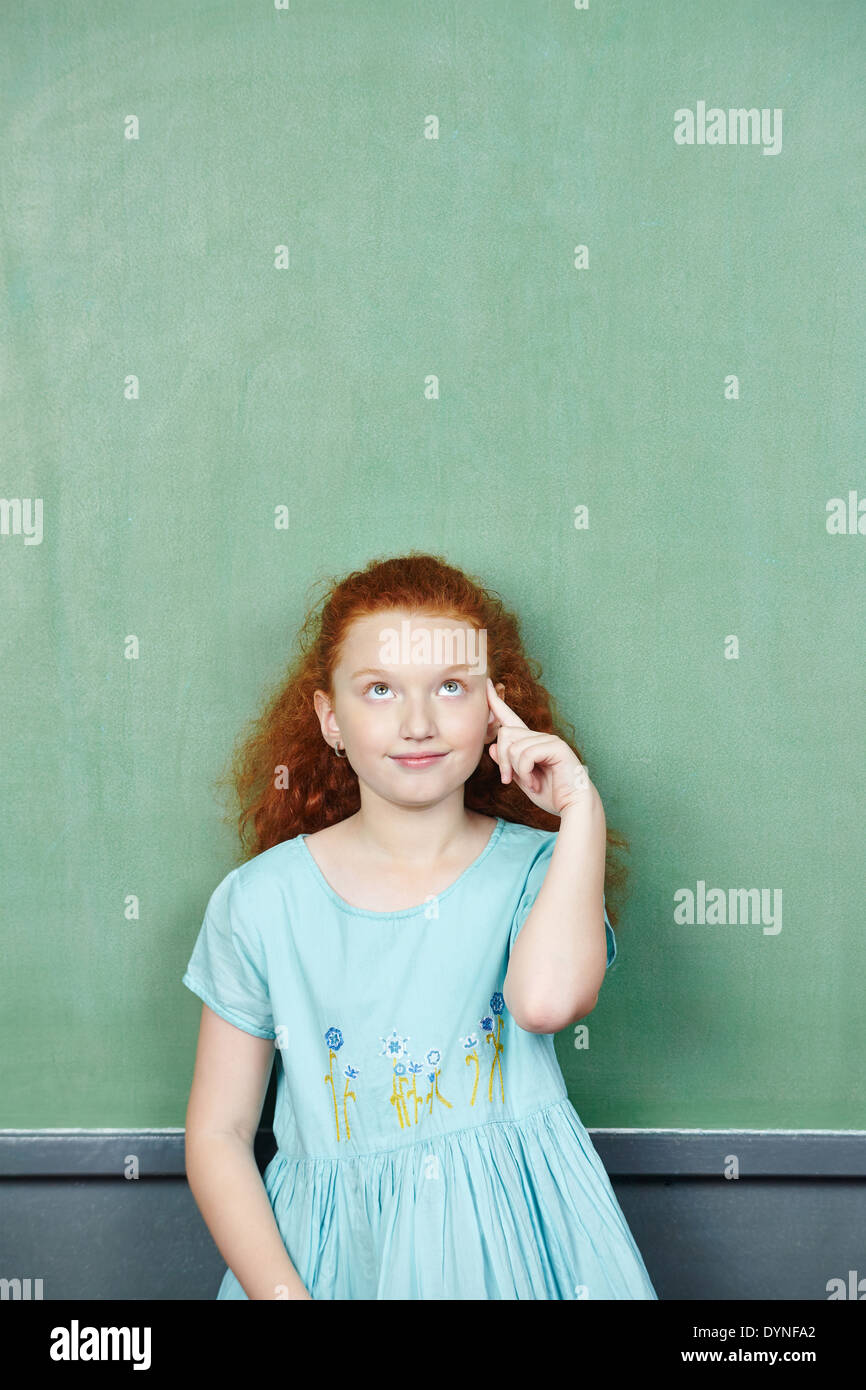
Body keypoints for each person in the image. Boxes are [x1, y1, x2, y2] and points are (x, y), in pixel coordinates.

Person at [182, 551, 658, 1300]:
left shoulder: (545, 868)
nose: (418, 723)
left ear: (495, 709)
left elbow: (546, 1003)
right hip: (335, 1262)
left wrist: (581, 810)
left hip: (523, 1248)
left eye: (450, 687)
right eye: (379, 690)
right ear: (330, 719)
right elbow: (218, 1135)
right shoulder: (260, 902)